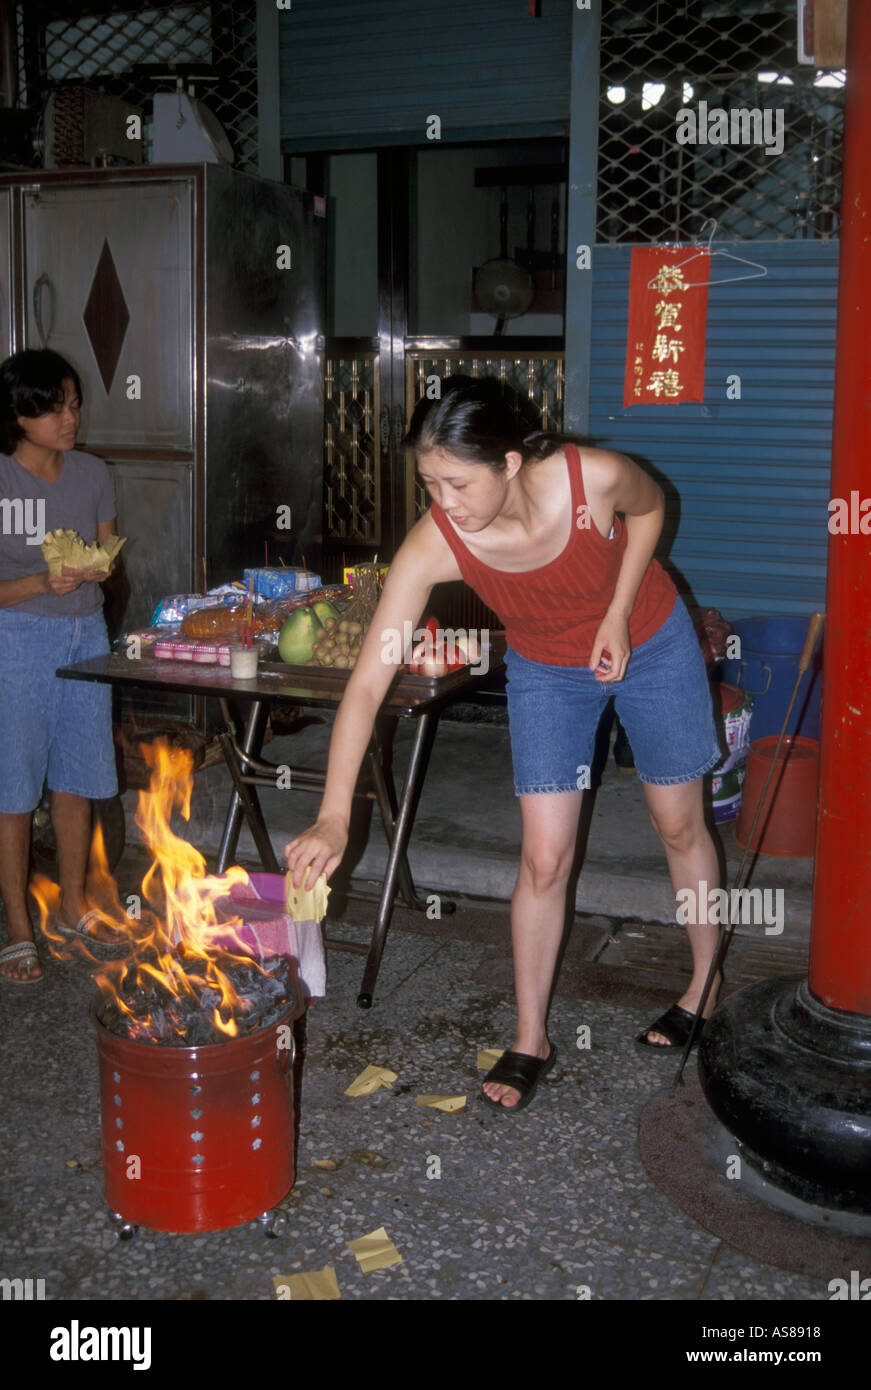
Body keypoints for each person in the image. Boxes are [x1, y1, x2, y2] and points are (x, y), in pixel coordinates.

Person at [285, 376, 724, 1109]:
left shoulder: (592, 479)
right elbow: (367, 682)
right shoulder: (437, 542)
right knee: (544, 856)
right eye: (429, 482)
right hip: (548, 669)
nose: (443, 501)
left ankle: (703, 988)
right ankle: (530, 1036)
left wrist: (616, 611)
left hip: (648, 641)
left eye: (457, 482)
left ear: (510, 464)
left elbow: (649, 513)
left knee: (676, 822)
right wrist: (334, 812)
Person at [0, 349, 120, 984]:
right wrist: (38, 586)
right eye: (54, 408)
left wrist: (99, 567)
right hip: (15, 637)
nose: (70, 417)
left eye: (74, 404)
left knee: (76, 777)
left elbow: (107, 553)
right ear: (19, 415)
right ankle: (18, 926)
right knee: (14, 787)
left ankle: (73, 905)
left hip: (86, 632)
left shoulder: (93, 472)